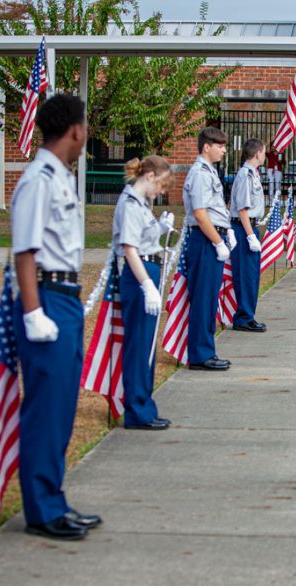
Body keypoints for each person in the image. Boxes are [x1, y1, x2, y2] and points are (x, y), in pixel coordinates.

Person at [10, 94, 101, 540]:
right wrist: (32, 312)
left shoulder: (61, 176)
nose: (87, 136)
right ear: (75, 130)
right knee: (46, 408)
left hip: (65, 295)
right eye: (86, 128)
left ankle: (55, 499)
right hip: (45, 296)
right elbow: (25, 251)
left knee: (62, 405)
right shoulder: (39, 179)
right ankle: (41, 510)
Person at [113, 156, 175, 431]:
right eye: (160, 185)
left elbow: (142, 239)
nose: (160, 192)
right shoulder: (129, 204)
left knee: (147, 344)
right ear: (149, 176)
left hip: (148, 270)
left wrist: (159, 229)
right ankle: (137, 410)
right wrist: (147, 285)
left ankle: (145, 406)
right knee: (139, 345)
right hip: (138, 275)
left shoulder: (141, 204)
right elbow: (130, 249)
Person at [183, 126, 233, 371]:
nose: (223, 150)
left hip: (211, 237)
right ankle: (200, 354)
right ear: (206, 147)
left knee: (209, 297)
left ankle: (206, 350)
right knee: (203, 298)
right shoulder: (201, 174)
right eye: (220, 146)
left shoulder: (210, 171)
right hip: (205, 240)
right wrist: (218, 242)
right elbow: (200, 214)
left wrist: (226, 232)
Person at [229, 138, 268, 333]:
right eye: (264, 152)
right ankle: (243, 317)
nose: (265, 155)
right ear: (257, 153)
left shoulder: (253, 174)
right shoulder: (245, 175)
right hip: (244, 228)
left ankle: (247, 315)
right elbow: (242, 209)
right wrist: (251, 236)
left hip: (250, 227)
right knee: (245, 275)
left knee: (251, 274)